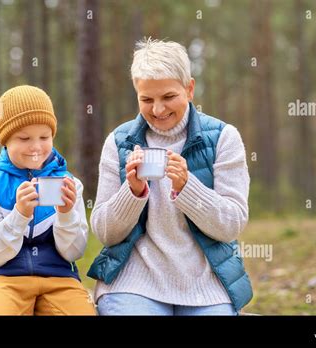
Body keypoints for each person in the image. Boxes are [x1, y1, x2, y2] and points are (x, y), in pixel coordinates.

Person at [88, 38, 253, 315]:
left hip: (206, 284)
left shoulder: (224, 138)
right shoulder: (118, 142)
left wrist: (188, 188)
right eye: (146, 99)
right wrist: (133, 191)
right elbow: (105, 232)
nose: (158, 110)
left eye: (168, 97)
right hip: (133, 282)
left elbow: (231, 225)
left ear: (189, 89)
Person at [0, 85, 96, 315]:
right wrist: (19, 216)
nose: (36, 147)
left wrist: (66, 214)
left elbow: (73, 253)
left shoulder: (69, 183)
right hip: (1, 278)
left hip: (59, 278)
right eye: (24, 138)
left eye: (44, 137)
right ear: (5, 140)